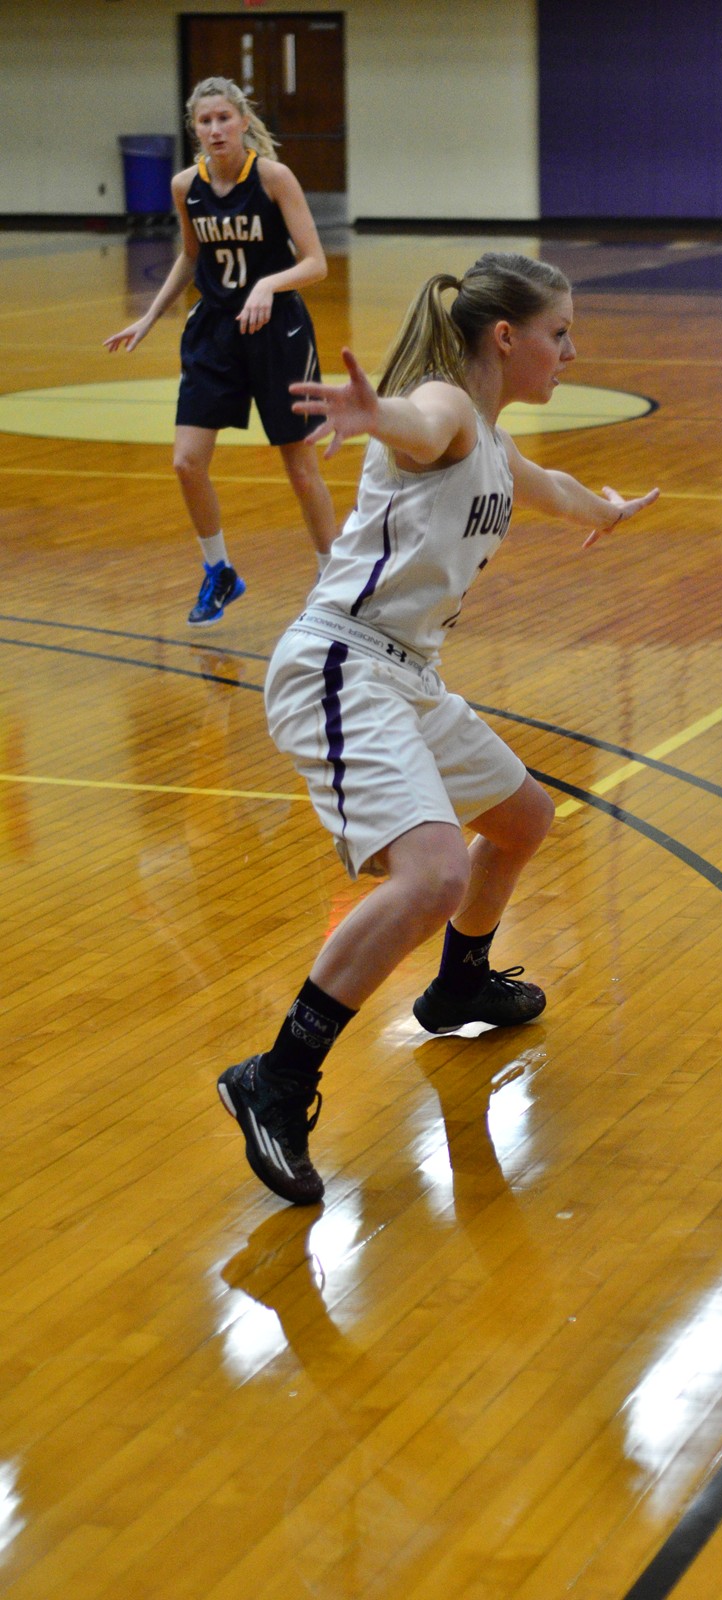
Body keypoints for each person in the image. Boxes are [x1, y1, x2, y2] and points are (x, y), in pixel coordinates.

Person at [216, 251, 659, 1205]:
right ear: (507, 337)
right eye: (560, 333)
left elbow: (555, 490)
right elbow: (421, 425)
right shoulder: (449, 409)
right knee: (433, 875)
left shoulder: (496, 445)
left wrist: (608, 511)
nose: (571, 351)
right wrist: (379, 417)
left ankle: (460, 984)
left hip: (408, 677)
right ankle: (277, 1077)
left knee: (524, 820)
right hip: (341, 666)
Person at [104, 77, 337, 625]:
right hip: (214, 330)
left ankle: (333, 580)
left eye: (223, 119)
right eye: (204, 121)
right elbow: (189, 256)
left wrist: (267, 285)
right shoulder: (186, 186)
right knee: (186, 462)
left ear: (242, 121)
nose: (214, 129)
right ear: (195, 129)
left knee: (299, 467)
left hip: (277, 329)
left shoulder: (274, 178)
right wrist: (149, 317)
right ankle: (220, 572)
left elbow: (316, 262)